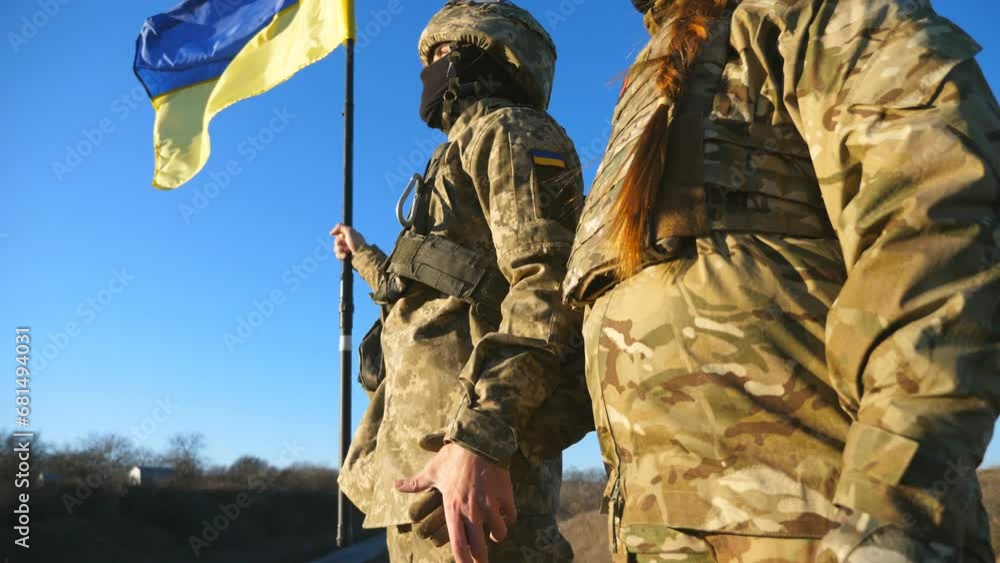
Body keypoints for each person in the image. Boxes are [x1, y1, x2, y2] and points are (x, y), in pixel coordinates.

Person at [564, 0, 999, 561]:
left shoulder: (821, 17)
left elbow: (938, 231)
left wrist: (892, 518)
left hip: (822, 537)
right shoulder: (653, 81)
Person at [334, 2, 592, 562]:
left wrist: (482, 436)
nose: (429, 71)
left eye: (440, 55)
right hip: (419, 467)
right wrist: (362, 255)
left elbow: (547, 287)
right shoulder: (446, 162)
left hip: (474, 463)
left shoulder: (513, 132)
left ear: (489, 58)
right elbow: (430, 293)